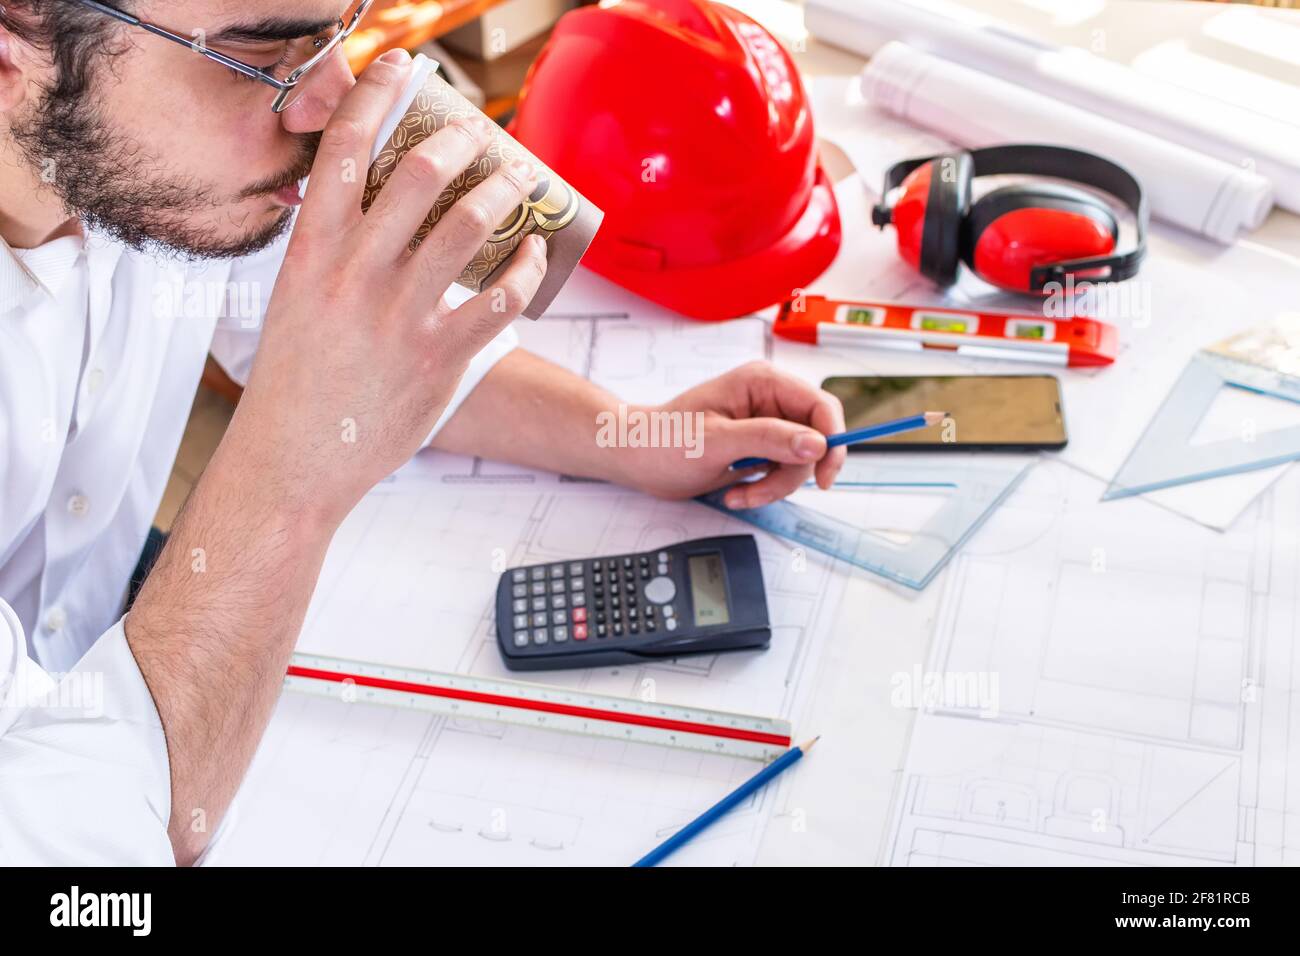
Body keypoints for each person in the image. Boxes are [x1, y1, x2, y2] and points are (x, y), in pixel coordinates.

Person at [0, 1, 846, 865]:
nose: (326, 100)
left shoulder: (143, 160)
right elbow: (98, 843)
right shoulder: (163, 152)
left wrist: (630, 434)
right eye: (261, 50)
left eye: (335, 28)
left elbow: (356, 336)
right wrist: (296, 469)